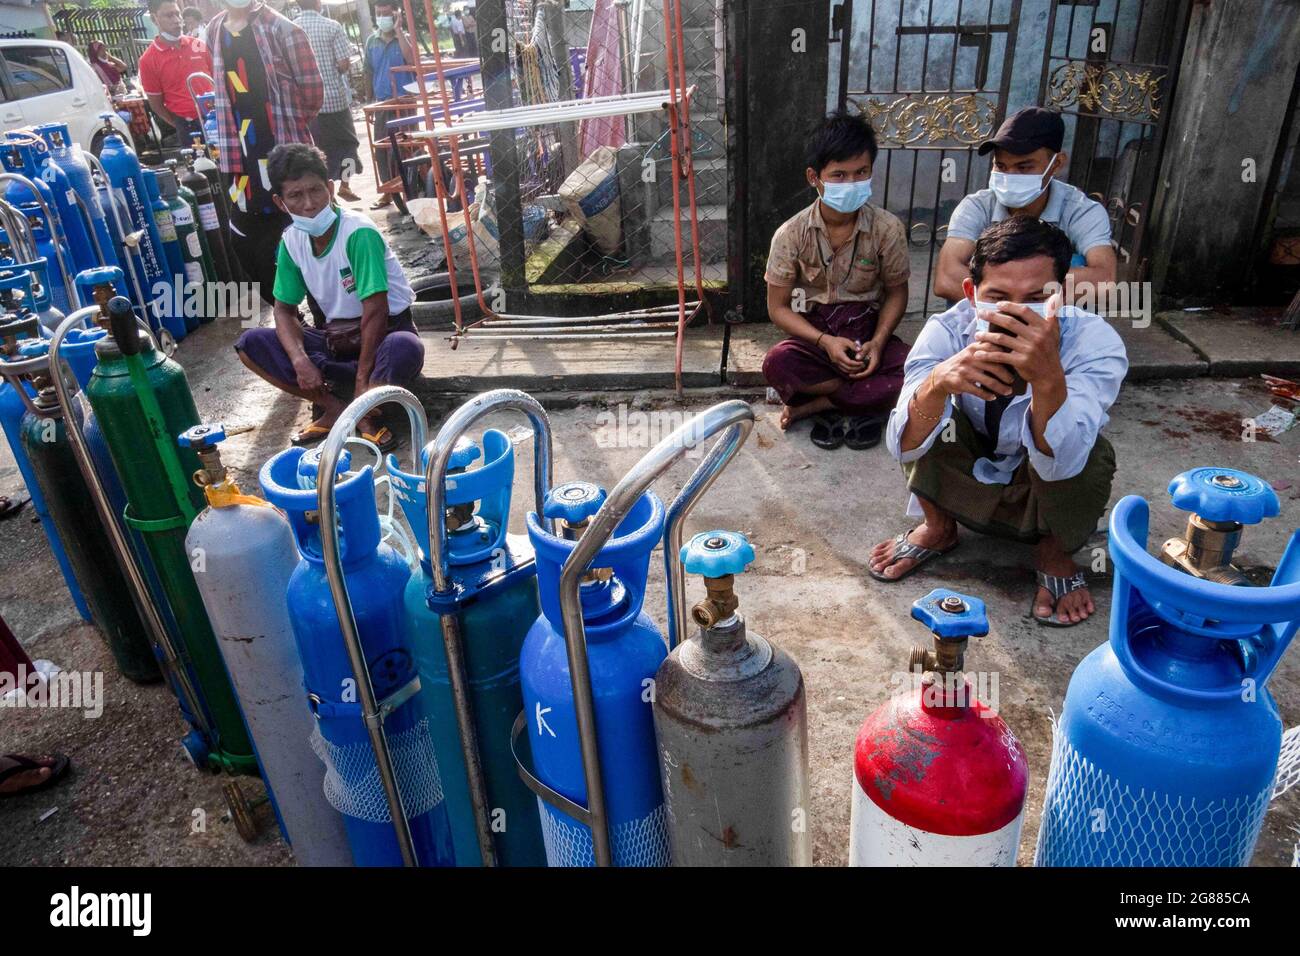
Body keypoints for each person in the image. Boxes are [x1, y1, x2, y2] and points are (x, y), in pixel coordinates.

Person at [869, 217, 1127, 627]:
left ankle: (1053, 551)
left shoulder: (1095, 343)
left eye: (1037, 296)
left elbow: (1067, 459)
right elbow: (902, 444)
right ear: (972, 294)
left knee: (1091, 450)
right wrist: (938, 383)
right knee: (927, 411)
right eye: (999, 296)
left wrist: (1047, 380)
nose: (1016, 313)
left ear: (1062, 295)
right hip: (973, 464)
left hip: (1044, 480)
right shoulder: (947, 333)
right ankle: (939, 528)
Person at [236, 144, 423, 450]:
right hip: (336, 342)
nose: (309, 204)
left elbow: (376, 311)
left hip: (383, 335)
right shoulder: (292, 241)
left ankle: (365, 404)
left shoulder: (358, 232)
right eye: (296, 195)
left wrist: (363, 381)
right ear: (280, 203)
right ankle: (335, 407)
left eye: (316, 191)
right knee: (251, 344)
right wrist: (300, 360)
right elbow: (284, 310)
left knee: (404, 347)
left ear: (331, 189)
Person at [761, 111, 911, 450]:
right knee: (777, 363)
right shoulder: (790, 234)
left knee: (920, 372)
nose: (851, 183)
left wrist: (877, 342)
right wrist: (825, 342)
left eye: (861, 173)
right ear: (815, 177)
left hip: (868, 333)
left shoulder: (887, 229)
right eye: (839, 175)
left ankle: (821, 402)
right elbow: (778, 308)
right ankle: (857, 394)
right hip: (816, 337)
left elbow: (897, 294)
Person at [933, 107, 1117, 303]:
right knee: (973, 267)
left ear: (1056, 164)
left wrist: (1004, 290)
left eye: (1024, 167)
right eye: (1001, 166)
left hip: (1055, 322)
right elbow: (946, 279)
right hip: (986, 322)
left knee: (1073, 262)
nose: (1010, 176)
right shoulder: (977, 207)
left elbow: (1104, 279)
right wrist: (1025, 298)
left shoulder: (1080, 210)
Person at [205, 0, 323, 302]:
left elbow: (312, 94)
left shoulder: (285, 30)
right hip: (240, 157)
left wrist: (285, 127)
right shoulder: (214, 31)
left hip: (284, 154)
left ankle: (324, 317)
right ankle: (287, 316)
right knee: (249, 240)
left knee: (305, 232)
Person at [298, 0, 363, 203]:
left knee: (317, 151)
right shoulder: (332, 26)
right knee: (349, 145)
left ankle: (328, 194)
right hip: (335, 100)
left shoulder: (291, 29)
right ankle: (344, 184)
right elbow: (344, 63)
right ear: (318, 3)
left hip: (307, 104)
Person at [138, 0, 215, 145]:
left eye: (178, 14)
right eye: (169, 15)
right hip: (188, 126)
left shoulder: (198, 45)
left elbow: (217, 79)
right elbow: (156, 105)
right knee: (201, 167)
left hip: (217, 119)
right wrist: (181, 124)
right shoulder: (148, 60)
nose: (177, 20)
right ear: (154, 19)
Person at [363, 2, 415, 210]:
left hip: (405, 102)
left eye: (387, 13)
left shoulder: (402, 39)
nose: (382, 17)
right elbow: (368, 71)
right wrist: (369, 103)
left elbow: (411, 59)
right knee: (382, 151)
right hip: (382, 104)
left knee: (409, 148)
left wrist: (399, 30)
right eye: (379, 13)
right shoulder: (371, 42)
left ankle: (414, 189)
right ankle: (387, 193)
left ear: (395, 14)